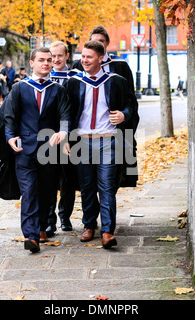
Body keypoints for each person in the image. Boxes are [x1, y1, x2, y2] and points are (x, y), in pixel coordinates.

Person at [0, 47, 71, 253]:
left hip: (50, 148)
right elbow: (9, 115)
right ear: (32, 63)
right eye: (41, 60)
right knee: (29, 192)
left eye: (49, 60)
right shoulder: (20, 88)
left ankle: (42, 226)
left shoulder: (58, 89)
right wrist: (10, 137)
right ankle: (31, 236)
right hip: (25, 149)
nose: (46, 63)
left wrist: (63, 132)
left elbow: (65, 115)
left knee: (46, 191)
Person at [64, 40, 138, 249]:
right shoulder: (74, 83)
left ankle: (107, 231)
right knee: (87, 187)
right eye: (82, 57)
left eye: (89, 57)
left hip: (108, 141)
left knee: (106, 188)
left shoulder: (116, 81)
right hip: (83, 142)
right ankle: (89, 225)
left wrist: (124, 115)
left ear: (100, 58)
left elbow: (131, 104)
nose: (84, 61)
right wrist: (67, 137)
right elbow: (66, 112)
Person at [73, 25, 139, 187]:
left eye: (101, 41)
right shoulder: (79, 66)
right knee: (86, 185)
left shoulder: (120, 66)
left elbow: (130, 99)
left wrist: (124, 114)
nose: (98, 44)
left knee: (110, 182)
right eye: (94, 41)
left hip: (111, 134)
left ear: (107, 44)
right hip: (84, 136)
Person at [46, 41, 80, 235]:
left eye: (59, 56)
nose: (56, 60)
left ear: (67, 56)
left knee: (68, 179)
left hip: (72, 135)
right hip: (49, 136)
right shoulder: (44, 76)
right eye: (53, 56)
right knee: (49, 179)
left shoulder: (76, 78)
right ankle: (50, 219)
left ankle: (65, 216)